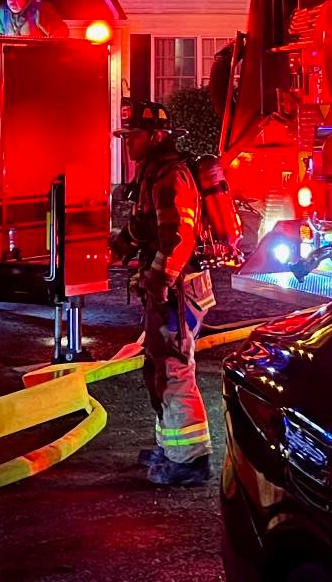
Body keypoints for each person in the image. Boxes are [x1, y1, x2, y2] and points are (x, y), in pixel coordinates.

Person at [110, 98, 215, 486]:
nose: (128, 143)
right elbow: (143, 225)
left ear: (155, 136)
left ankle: (191, 462)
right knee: (157, 368)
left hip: (179, 289)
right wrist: (119, 246)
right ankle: (171, 449)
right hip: (170, 289)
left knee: (173, 369)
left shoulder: (171, 177)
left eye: (134, 135)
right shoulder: (152, 174)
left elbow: (178, 240)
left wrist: (157, 282)